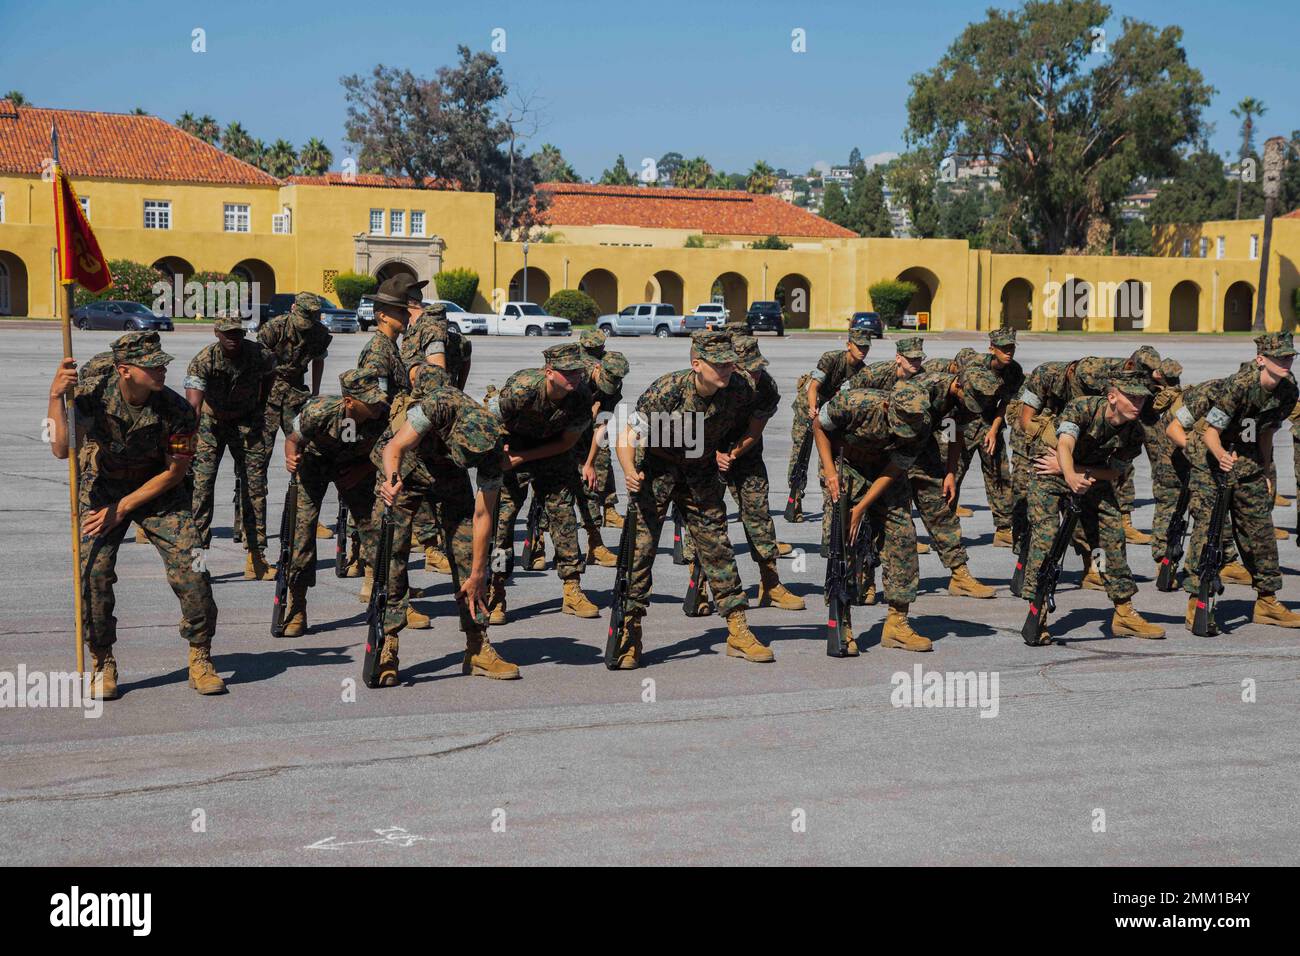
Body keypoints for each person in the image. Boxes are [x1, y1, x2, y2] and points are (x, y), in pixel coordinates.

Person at [47, 332, 224, 698]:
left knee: (194, 569)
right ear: (125, 370)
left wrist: (124, 508)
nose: (162, 370)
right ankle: (102, 660)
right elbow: (62, 449)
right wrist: (54, 397)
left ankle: (200, 656)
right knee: (93, 572)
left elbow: (175, 472)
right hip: (104, 485)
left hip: (159, 490)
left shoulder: (177, 410)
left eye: (162, 363)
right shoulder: (93, 397)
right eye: (152, 365)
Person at [611, 330, 773, 668]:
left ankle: (737, 628)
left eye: (730, 362)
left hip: (699, 471)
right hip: (655, 471)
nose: (727, 369)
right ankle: (630, 630)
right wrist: (629, 470)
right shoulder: (667, 391)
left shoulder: (740, 388)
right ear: (697, 364)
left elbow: (752, 423)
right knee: (640, 553)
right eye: (718, 364)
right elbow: (626, 436)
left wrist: (730, 451)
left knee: (718, 546)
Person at [376, 364, 520, 684]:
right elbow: (394, 448)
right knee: (393, 555)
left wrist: (479, 571)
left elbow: (483, 517)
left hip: (449, 475)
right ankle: (387, 643)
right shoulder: (438, 405)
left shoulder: (492, 447)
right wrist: (390, 478)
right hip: (408, 467)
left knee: (471, 558)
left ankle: (478, 647)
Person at [1169, 332, 1300, 633]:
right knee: (1206, 531)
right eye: (1279, 357)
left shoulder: (1288, 390)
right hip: (1212, 462)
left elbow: (1266, 431)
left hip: (1249, 462)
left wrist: (1267, 472)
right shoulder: (1238, 386)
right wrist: (1220, 457)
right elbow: (1211, 432)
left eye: (1289, 356)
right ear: (1260, 360)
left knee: (1260, 532)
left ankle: (1267, 601)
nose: (1286, 361)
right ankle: (1196, 601)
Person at [1021, 371, 1166, 644]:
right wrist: (1068, 473)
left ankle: (1123, 611)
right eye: (1131, 397)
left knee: (1110, 537)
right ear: (1112, 397)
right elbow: (1064, 445)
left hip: (1090, 474)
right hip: (1050, 469)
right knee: (1047, 537)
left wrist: (1078, 471)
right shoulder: (1083, 407)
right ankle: (1036, 608)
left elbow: (1115, 472)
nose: (1138, 403)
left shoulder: (1135, 432)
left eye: (1142, 399)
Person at [685, 334, 803, 613]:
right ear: (732, 366)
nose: (758, 373)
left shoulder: (766, 387)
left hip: (744, 453)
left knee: (759, 515)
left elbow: (755, 429)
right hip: (704, 452)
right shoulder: (711, 384)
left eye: (759, 366)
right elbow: (689, 431)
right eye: (750, 368)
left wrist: (733, 454)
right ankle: (700, 586)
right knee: (705, 521)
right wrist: (714, 455)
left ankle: (770, 584)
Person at [813, 381, 933, 652]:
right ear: (888, 406)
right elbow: (819, 427)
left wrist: (862, 508)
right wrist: (831, 474)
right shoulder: (855, 403)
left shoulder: (921, 422)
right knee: (842, 544)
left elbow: (896, 467)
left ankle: (897, 624)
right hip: (845, 465)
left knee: (902, 538)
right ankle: (842, 622)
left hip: (884, 473)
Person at [486, 342, 601, 624]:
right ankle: (496, 589)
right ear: (549, 372)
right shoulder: (521, 389)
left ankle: (572, 588)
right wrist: (499, 456)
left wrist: (524, 458)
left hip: (549, 451)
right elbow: (487, 420)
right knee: (502, 523)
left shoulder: (581, 396)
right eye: (568, 373)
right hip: (511, 447)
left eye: (578, 372)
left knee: (563, 515)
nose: (575, 377)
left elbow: (567, 443)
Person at [278, 370, 391, 637]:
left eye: (377, 397)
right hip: (315, 465)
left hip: (354, 468)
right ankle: (297, 604)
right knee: (301, 534)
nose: (376, 403)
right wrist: (291, 458)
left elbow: (390, 448)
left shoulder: (383, 414)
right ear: (349, 401)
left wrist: (363, 469)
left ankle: (380, 590)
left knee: (373, 527)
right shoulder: (319, 411)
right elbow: (294, 439)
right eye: (368, 399)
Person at [185, 313, 277, 579]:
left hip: (247, 422)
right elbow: (193, 406)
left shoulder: (259, 355)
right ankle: (197, 564)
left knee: (255, 488)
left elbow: (271, 375)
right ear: (217, 334)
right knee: (201, 491)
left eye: (237, 333)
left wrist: (260, 405)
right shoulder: (203, 361)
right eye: (227, 334)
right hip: (211, 426)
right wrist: (190, 438)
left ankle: (256, 558)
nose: (233, 339)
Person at [257, 291, 332, 540]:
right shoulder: (273, 328)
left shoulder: (318, 333)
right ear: (292, 308)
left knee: (304, 458)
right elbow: (255, 364)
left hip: (296, 395)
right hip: (267, 396)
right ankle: (249, 523)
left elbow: (319, 360)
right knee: (257, 460)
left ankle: (307, 517)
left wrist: (317, 392)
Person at [785, 329, 872, 522]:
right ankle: (795, 496)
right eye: (859, 346)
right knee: (801, 453)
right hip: (809, 404)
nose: (863, 350)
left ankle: (829, 501)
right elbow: (813, 387)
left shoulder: (863, 370)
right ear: (849, 345)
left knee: (828, 455)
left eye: (866, 346)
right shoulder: (831, 358)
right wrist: (812, 408)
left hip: (831, 413)